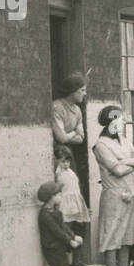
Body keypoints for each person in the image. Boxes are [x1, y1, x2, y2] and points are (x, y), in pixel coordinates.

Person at [92, 105, 134, 266]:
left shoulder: (123, 140)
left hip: (130, 193)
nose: (123, 122)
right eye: (120, 119)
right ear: (111, 121)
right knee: (112, 237)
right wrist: (129, 164)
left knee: (126, 238)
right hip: (114, 196)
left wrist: (123, 162)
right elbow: (116, 170)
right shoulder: (101, 145)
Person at [37, 181, 82, 266]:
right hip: (52, 246)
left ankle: (76, 264)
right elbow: (57, 231)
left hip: (58, 244)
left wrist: (73, 236)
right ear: (51, 198)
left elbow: (63, 226)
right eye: (58, 194)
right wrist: (70, 241)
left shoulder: (54, 211)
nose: (61, 195)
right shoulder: (45, 215)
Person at [50, 73, 90, 210]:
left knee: (72, 186)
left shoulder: (77, 110)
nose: (85, 93)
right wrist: (73, 132)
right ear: (73, 90)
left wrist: (68, 135)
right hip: (57, 154)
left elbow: (81, 137)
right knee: (60, 188)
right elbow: (61, 138)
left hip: (69, 154)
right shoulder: (57, 107)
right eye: (82, 90)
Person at [53, 144, 93, 266]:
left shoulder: (71, 172)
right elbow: (58, 190)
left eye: (68, 161)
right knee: (66, 232)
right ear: (57, 160)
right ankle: (64, 262)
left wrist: (82, 206)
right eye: (62, 161)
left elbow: (76, 189)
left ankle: (77, 260)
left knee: (79, 231)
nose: (66, 164)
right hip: (65, 206)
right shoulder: (57, 173)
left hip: (76, 205)